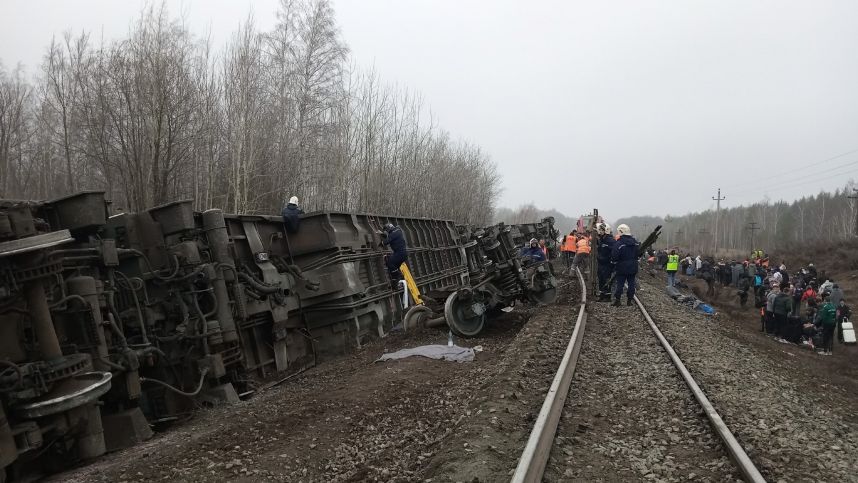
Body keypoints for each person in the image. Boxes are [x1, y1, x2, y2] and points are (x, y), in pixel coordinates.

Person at [610, 224, 640, 307]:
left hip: (621, 267)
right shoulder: (635, 243)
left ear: (620, 232)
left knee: (620, 284)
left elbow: (614, 256)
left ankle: (618, 300)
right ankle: (629, 301)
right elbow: (638, 253)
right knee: (631, 284)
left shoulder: (619, 243)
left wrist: (613, 262)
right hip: (633, 266)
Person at [596, 223, 616, 301]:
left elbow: (613, 252)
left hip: (607, 264)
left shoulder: (610, 240)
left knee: (606, 279)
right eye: (600, 230)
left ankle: (607, 296)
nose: (600, 231)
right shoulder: (602, 239)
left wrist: (609, 260)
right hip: (601, 263)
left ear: (606, 230)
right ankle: (602, 295)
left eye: (602, 230)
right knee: (601, 279)